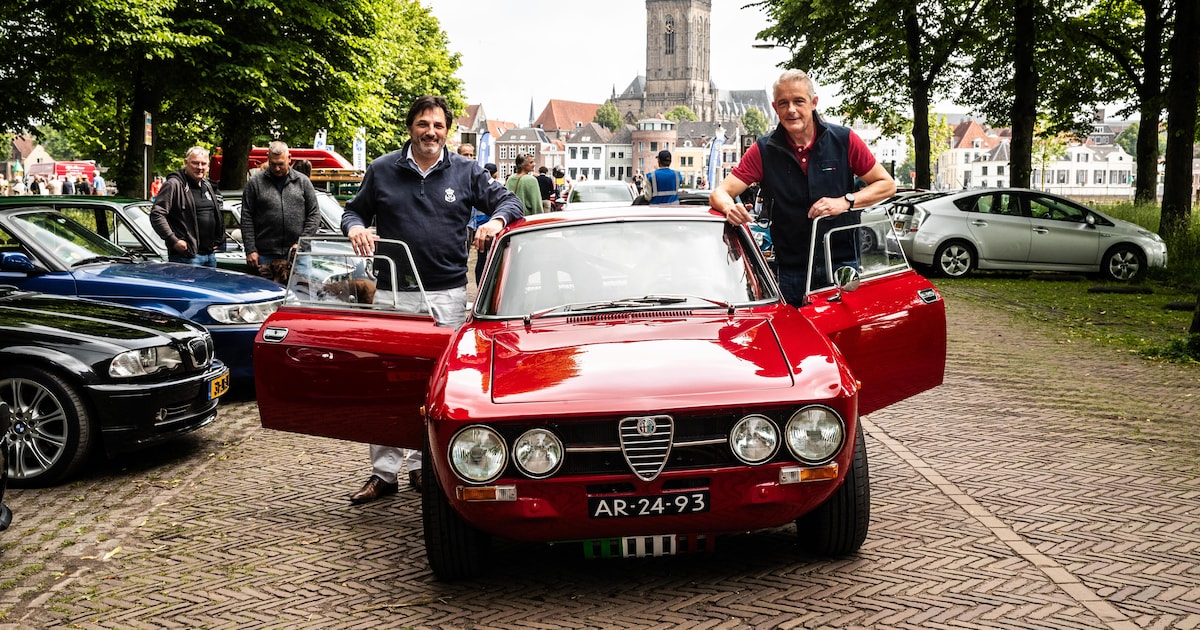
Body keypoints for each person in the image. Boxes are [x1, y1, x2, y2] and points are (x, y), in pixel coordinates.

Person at [342, 95, 523, 504]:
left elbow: (510, 203)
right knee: (388, 383)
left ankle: (425, 467)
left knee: (436, 384)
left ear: (447, 131)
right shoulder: (383, 170)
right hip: (393, 294)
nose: (431, 132)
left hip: (446, 294)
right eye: (423, 124)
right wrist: (357, 229)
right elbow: (352, 212)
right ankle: (383, 473)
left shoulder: (465, 170)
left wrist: (494, 220)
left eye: (439, 126)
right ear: (410, 128)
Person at [709, 69, 895, 306]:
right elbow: (719, 193)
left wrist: (845, 201)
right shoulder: (763, 150)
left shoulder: (844, 140)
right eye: (784, 103)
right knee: (794, 339)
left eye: (798, 101)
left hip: (840, 267)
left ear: (813, 103)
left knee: (842, 338)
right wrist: (730, 208)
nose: (791, 110)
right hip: (791, 270)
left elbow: (887, 185)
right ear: (775, 108)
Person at [240, 141, 320, 282]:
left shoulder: (303, 182)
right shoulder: (255, 183)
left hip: (298, 255)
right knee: (266, 299)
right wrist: (250, 249)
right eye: (273, 164)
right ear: (267, 158)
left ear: (290, 159)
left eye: (281, 164)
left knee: (300, 296)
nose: (277, 168)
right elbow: (246, 217)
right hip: (265, 255)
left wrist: (301, 243)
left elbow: (314, 215)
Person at [150, 146, 225, 267]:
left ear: (208, 165)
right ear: (186, 163)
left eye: (203, 164)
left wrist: (219, 238)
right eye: (195, 163)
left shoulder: (207, 185)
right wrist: (174, 241)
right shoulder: (174, 185)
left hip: (210, 255)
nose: (200, 167)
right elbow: (157, 214)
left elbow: (217, 214)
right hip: (186, 257)